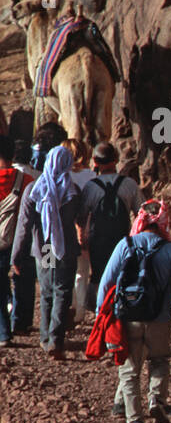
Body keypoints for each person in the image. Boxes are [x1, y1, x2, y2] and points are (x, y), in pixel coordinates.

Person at [97, 200, 171, 423]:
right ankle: (156, 399)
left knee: (129, 371)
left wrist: (101, 316)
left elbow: (106, 282)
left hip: (128, 318)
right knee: (159, 360)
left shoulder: (125, 244)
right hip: (160, 317)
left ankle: (134, 422)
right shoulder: (169, 250)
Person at [10, 144, 86, 357]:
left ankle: (45, 338)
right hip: (66, 249)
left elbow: (24, 226)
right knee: (62, 291)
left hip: (45, 249)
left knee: (46, 292)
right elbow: (81, 218)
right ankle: (56, 339)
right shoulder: (73, 191)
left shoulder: (34, 190)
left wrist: (16, 255)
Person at [80, 142, 143, 312]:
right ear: (116, 160)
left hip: (97, 240)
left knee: (99, 275)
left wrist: (82, 239)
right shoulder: (129, 184)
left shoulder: (90, 187)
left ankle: (99, 311)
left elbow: (82, 217)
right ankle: (122, 307)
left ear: (95, 160)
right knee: (123, 274)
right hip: (123, 239)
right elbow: (141, 214)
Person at [0, 135, 35, 346]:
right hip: (20, 241)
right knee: (23, 279)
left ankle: (3, 332)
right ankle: (21, 322)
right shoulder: (27, 181)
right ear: (13, 154)